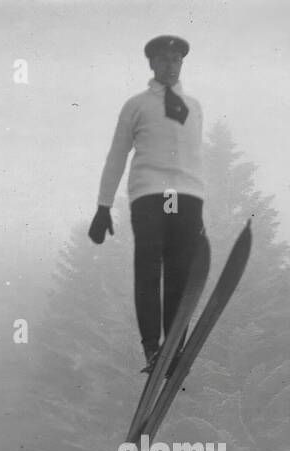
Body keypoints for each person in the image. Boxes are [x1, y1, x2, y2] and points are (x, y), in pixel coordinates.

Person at [89, 34, 206, 372]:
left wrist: (200, 205)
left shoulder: (194, 107)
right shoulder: (136, 105)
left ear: (182, 63)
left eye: (176, 60)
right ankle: (152, 348)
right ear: (152, 63)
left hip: (187, 196)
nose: (170, 66)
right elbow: (116, 156)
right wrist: (103, 205)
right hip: (151, 195)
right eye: (164, 59)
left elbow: (194, 155)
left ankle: (173, 349)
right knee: (149, 267)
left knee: (180, 273)